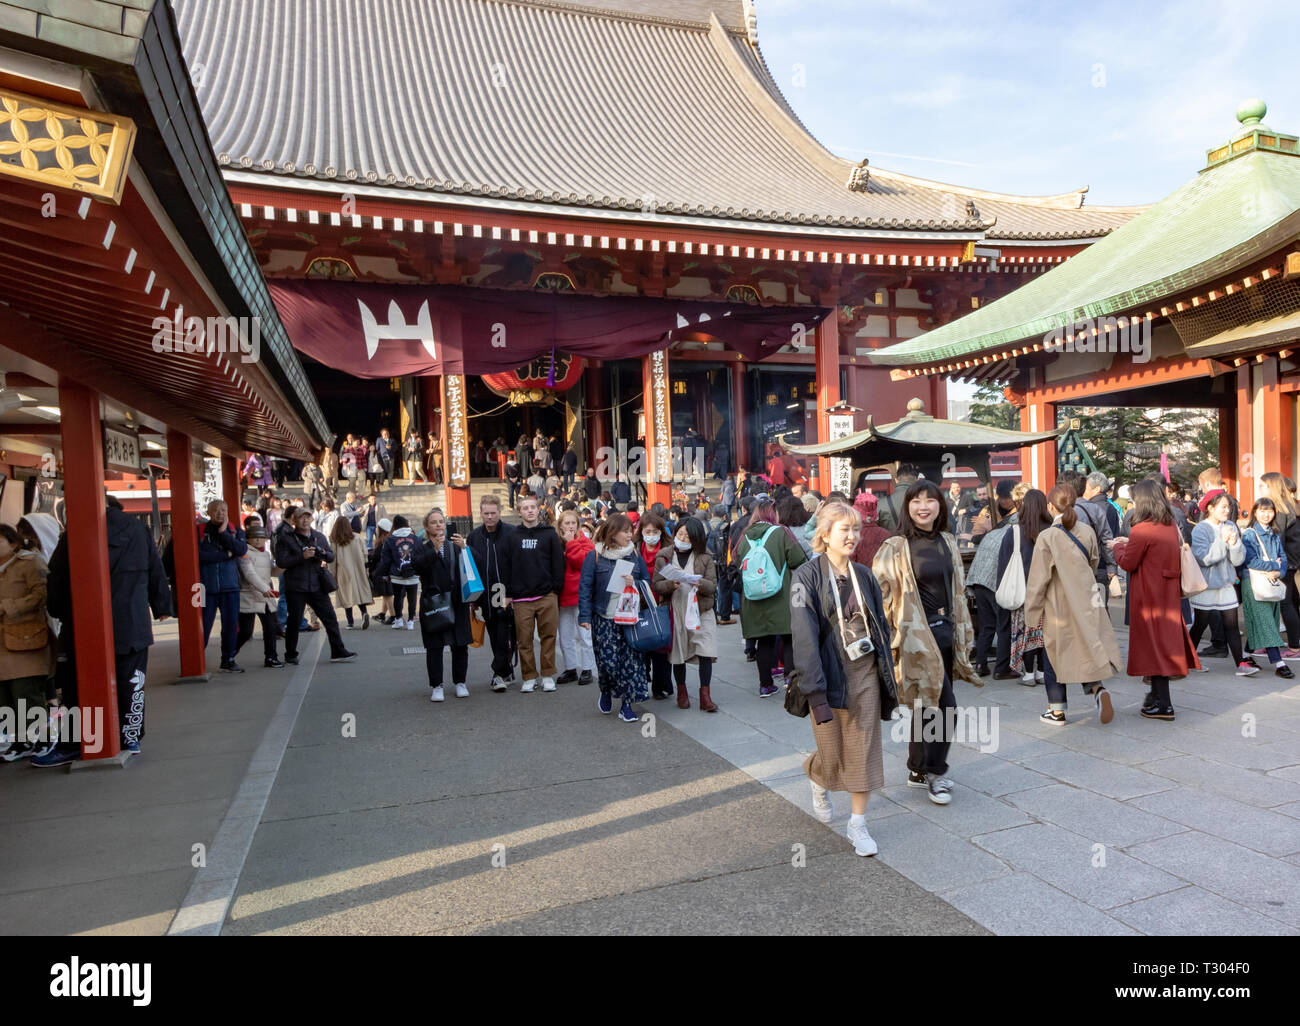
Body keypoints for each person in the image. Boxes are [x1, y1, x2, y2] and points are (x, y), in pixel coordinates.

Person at [792, 501, 898, 855]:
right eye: (844, 530)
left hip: (864, 670)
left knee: (863, 748)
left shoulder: (864, 575)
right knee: (833, 752)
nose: (852, 536)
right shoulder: (805, 577)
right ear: (825, 535)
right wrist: (815, 693)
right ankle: (816, 772)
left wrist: (889, 676)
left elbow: (880, 626)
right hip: (826, 673)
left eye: (856, 529)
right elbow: (804, 637)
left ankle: (858, 824)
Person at [872, 480, 980, 805]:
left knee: (927, 702)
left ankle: (917, 767)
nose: (923, 506)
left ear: (940, 505)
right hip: (917, 638)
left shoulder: (947, 540)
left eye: (930, 500)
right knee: (946, 708)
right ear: (906, 507)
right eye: (916, 501)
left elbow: (957, 589)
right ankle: (937, 772)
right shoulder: (895, 546)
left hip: (947, 632)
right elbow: (880, 593)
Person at [42, 498, 172, 762]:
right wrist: (161, 605)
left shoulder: (75, 533)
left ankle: (77, 742)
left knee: (78, 685)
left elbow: (57, 579)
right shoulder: (138, 530)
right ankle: (131, 734)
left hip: (86, 624)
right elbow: (155, 569)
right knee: (131, 681)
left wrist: (58, 610)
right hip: (132, 621)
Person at [1025, 484, 1122, 725]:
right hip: (1086, 600)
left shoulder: (1047, 537)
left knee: (1053, 653)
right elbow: (1093, 561)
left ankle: (1056, 710)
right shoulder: (1087, 531)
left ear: (1050, 507)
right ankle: (1098, 690)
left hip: (1058, 604)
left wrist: (1032, 613)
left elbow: (1038, 579)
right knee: (1085, 648)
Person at [1113, 479, 1200, 719]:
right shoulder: (1169, 523)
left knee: (1154, 648)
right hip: (1168, 593)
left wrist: (1117, 547)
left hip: (1149, 596)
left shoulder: (1142, 528)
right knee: (1162, 646)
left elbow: (1129, 563)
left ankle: (1164, 705)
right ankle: (1156, 698)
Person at [578, 513, 651, 723]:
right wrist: (584, 616)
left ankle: (627, 705)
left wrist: (634, 582)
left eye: (631, 531)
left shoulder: (634, 554)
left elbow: (647, 581)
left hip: (629, 618)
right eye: (625, 531)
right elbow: (585, 586)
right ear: (612, 533)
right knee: (608, 662)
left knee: (631, 663)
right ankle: (606, 689)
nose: (630, 535)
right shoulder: (596, 556)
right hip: (604, 616)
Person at [736, 499, 807, 697]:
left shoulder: (745, 536)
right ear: (771, 514)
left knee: (764, 642)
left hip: (753, 597)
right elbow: (797, 559)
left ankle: (765, 685)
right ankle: (789, 680)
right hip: (781, 594)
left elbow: (736, 561)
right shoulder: (780, 532)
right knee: (789, 637)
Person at [0, 524, 55, 761]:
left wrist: (8, 607)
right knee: (5, 696)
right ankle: (20, 741)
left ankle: (43, 737)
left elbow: (43, 594)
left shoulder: (31, 563)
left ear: (13, 543)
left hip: (26, 638)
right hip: (2, 642)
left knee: (26, 692)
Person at [500, 494, 565, 693]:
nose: (529, 510)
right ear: (519, 512)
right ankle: (529, 676)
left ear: (538, 510)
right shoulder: (511, 536)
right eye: (525, 508)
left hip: (547, 595)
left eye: (532, 507)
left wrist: (555, 590)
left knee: (549, 637)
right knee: (524, 640)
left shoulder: (549, 534)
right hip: (521, 598)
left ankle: (547, 675)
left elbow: (558, 564)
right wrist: (508, 594)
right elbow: (506, 566)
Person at [654, 515, 718, 711]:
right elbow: (656, 584)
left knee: (706, 650)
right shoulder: (664, 556)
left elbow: (713, 585)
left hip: (701, 609)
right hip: (676, 608)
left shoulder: (705, 556)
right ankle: (682, 692)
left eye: (688, 536)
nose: (683, 538)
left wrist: (699, 583)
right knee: (678, 653)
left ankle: (705, 695)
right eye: (680, 533)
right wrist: (669, 584)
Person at [276, 509, 356, 665]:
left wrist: (320, 553)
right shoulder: (286, 539)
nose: (305, 521)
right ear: (294, 521)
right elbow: (281, 561)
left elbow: (331, 556)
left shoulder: (318, 537)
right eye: (301, 518)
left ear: (312, 519)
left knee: (330, 618)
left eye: (308, 517)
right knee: (294, 621)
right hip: (296, 585)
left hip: (316, 584)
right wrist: (302, 556)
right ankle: (291, 653)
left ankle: (338, 651)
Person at [409, 509, 472, 701]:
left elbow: (470, 567)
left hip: (457, 600)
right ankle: (437, 685)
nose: (439, 525)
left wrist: (465, 549)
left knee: (460, 644)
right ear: (427, 527)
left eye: (441, 522)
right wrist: (434, 550)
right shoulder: (422, 546)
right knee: (434, 646)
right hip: (434, 602)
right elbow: (416, 566)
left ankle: (460, 682)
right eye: (434, 522)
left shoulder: (455, 545)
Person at [1186, 491, 1249, 673]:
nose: (1227, 510)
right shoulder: (1200, 529)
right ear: (1210, 508)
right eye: (1223, 506)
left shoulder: (1231, 525)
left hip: (1227, 583)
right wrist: (1222, 541)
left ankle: (1241, 664)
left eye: (1228, 506)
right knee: (1200, 624)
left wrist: (1235, 542)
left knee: (1232, 625)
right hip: (1206, 585)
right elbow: (1204, 558)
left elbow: (1237, 560)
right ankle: (1188, 659)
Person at [998, 488, 1052, 685]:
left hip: (1022, 591)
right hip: (1047, 590)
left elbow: (1003, 564)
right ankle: (1042, 672)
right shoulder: (1052, 529)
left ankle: (1028, 673)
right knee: (1044, 634)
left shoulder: (1015, 531)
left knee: (1026, 631)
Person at [964, 484, 1018, 680]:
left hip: (978, 580)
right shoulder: (1014, 526)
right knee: (1003, 625)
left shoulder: (996, 530)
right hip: (994, 581)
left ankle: (980, 664)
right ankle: (1002, 668)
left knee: (987, 625)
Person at [1240, 498, 1295, 679]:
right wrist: (1273, 565)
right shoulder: (1249, 534)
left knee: (1263, 621)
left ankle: (1246, 656)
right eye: (1262, 510)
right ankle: (1279, 663)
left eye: (1269, 510)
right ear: (1255, 512)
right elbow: (1250, 561)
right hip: (1253, 584)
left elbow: (1283, 558)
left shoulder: (1274, 533)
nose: (1266, 514)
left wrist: (1280, 572)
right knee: (1267, 623)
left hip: (1271, 582)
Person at [467, 496, 517, 691]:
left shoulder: (511, 534)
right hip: (485, 591)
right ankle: (505, 669)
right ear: (481, 513)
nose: (489, 517)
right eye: (486, 513)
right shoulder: (474, 536)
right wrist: (473, 598)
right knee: (494, 632)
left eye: (493, 513)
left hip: (504, 590)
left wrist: (512, 593)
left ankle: (499, 673)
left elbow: (516, 566)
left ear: (500, 512)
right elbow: (470, 568)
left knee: (505, 633)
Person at [198, 500, 248, 673]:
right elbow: (198, 556)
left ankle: (228, 659)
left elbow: (241, 550)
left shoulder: (235, 531)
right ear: (209, 512)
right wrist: (225, 554)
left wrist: (223, 533)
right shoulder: (199, 531)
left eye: (224, 510)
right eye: (216, 510)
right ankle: (196, 660)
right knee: (202, 626)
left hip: (230, 586)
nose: (220, 513)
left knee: (231, 626)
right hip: (206, 587)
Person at [1259, 471, 1300, 657]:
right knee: (1290, 601)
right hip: (1291, 561)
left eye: (1263, 485)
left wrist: (1276, 565)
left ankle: (1294, 646)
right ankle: (1288, 643)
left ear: (1271, 487)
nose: (1260, 488)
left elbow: (1278, 540)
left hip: (1284, 563)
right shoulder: (1290, 506)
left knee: (1284, 603)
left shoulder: (1279, 509)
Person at [634, 513, 673, 698]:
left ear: (661, 532)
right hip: (639, 604)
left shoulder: (668, 551)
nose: (651, 535)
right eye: (647, 531)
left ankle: (660, 686)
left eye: (655, 531)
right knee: (642, 646)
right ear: (641, 532)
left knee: (661, 647)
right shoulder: (634, 550)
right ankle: (642, 683)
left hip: (662, 603)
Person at [555, 508, 596, 686]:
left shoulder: (586, 542)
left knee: (585, 635)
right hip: (563, 594)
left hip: (581, 594)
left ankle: (587, 668)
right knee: (565, 635)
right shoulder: (555, 542)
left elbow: (583, 562)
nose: (570, 526)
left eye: (573, 523)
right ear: (560, 525)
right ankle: (570, 667)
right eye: (567, 523)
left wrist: (571, 543)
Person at [236, 521, 282, 667]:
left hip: (265, 596)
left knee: (270, 628)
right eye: (254, 537)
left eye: (261, 537)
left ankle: (271, 657)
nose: (258, 540)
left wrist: (284, 565)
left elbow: (271, 573)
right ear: (247, 539)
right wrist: (265, 589)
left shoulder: (266, 554)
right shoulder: (244, 553)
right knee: (245, 631)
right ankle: (228, 655)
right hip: (249, 595)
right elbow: (249, 574)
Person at [377, 515, 422, 630]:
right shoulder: (415, 538)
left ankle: (398, 619)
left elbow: (386, 559)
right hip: (413, 573)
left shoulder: (390, 539)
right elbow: (420, 556)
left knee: (398, 597)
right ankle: (411, 621)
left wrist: (385, 574)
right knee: (412, 598)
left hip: (396, 574)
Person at [330, 516, 372, 630]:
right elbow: (365, 554)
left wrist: (332, 574)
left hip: (343, 571)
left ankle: (350, 622)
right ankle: (364, 613)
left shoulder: (335, 540)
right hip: (359, 569)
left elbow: (332, 559)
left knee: (346, 595)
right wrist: (366, 568)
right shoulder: (358, 537)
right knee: (359, 593)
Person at [876, 463, 919, 533]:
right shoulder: (926, 503)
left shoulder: (880, 504)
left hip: (891, 543)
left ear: (896, 480)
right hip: (919, 543)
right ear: (917, 480)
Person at [368, 518, 396, 624]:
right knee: (386, 593)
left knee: (387, 594)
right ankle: (382, 614)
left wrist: (371, 568)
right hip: (390, 569)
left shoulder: (383, 541)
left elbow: (376, 557)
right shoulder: (391, 539)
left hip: (384, 570)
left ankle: (393, 616)